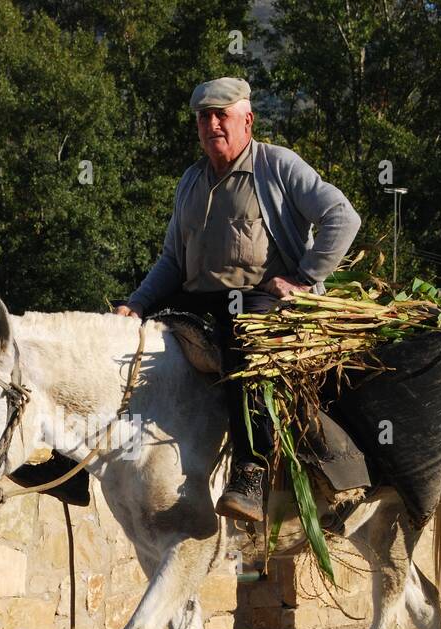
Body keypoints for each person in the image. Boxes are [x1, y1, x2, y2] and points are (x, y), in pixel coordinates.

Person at [114, 77, 361, 523]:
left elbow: (342, 217)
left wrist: (305, 278)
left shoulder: (277, 166)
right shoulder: (190, 180)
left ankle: (251, 469)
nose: (212, 124)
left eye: (220, 115)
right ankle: (71, 460)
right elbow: (172, 260)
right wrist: (135, 305)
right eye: (203, 117)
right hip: (195, 299)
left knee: (241, 338)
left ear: (247, 120)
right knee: (117, 339)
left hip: (261, 301)